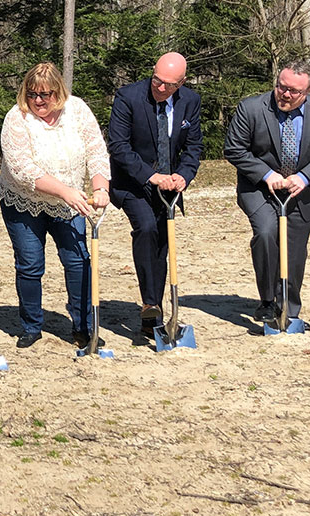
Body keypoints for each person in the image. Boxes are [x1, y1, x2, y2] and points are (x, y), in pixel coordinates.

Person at [0, 62, 111, 349]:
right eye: (32, 94)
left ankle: (83, 326)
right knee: (31, 264)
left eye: (45, 95)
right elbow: (23, 169)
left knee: (78, 262)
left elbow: (96, 150)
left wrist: (100, 187)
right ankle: (31, 326)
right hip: (25, 202)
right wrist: (65, 191)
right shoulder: (16, 119)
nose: (38, 101)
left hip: (69, 203)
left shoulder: (78, 110)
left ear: (58, 92)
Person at [223, 60, 310, 327]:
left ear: (308, 91)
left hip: (301, 191)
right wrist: (267, 174)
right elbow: (235, 149)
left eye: (294, 91)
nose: (285, 94)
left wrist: (305, 177)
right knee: (266, 234)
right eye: (281, 87)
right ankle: (267, 301)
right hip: (258, 188)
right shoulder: (251, 108)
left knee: (295, 250)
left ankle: (288, 308)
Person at [107, 52, 204, 338]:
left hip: (169, 186)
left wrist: (183, 175)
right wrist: (151, 176)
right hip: (132, 183)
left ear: (182, 83)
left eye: (169, 85)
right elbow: (119, 145)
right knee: (146, 228)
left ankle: (155, 310)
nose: (161, 88)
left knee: (162, 242)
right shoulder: (128, 97)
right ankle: (150, 304)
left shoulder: (191, 101)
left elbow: (193, 147)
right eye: (157, 81)